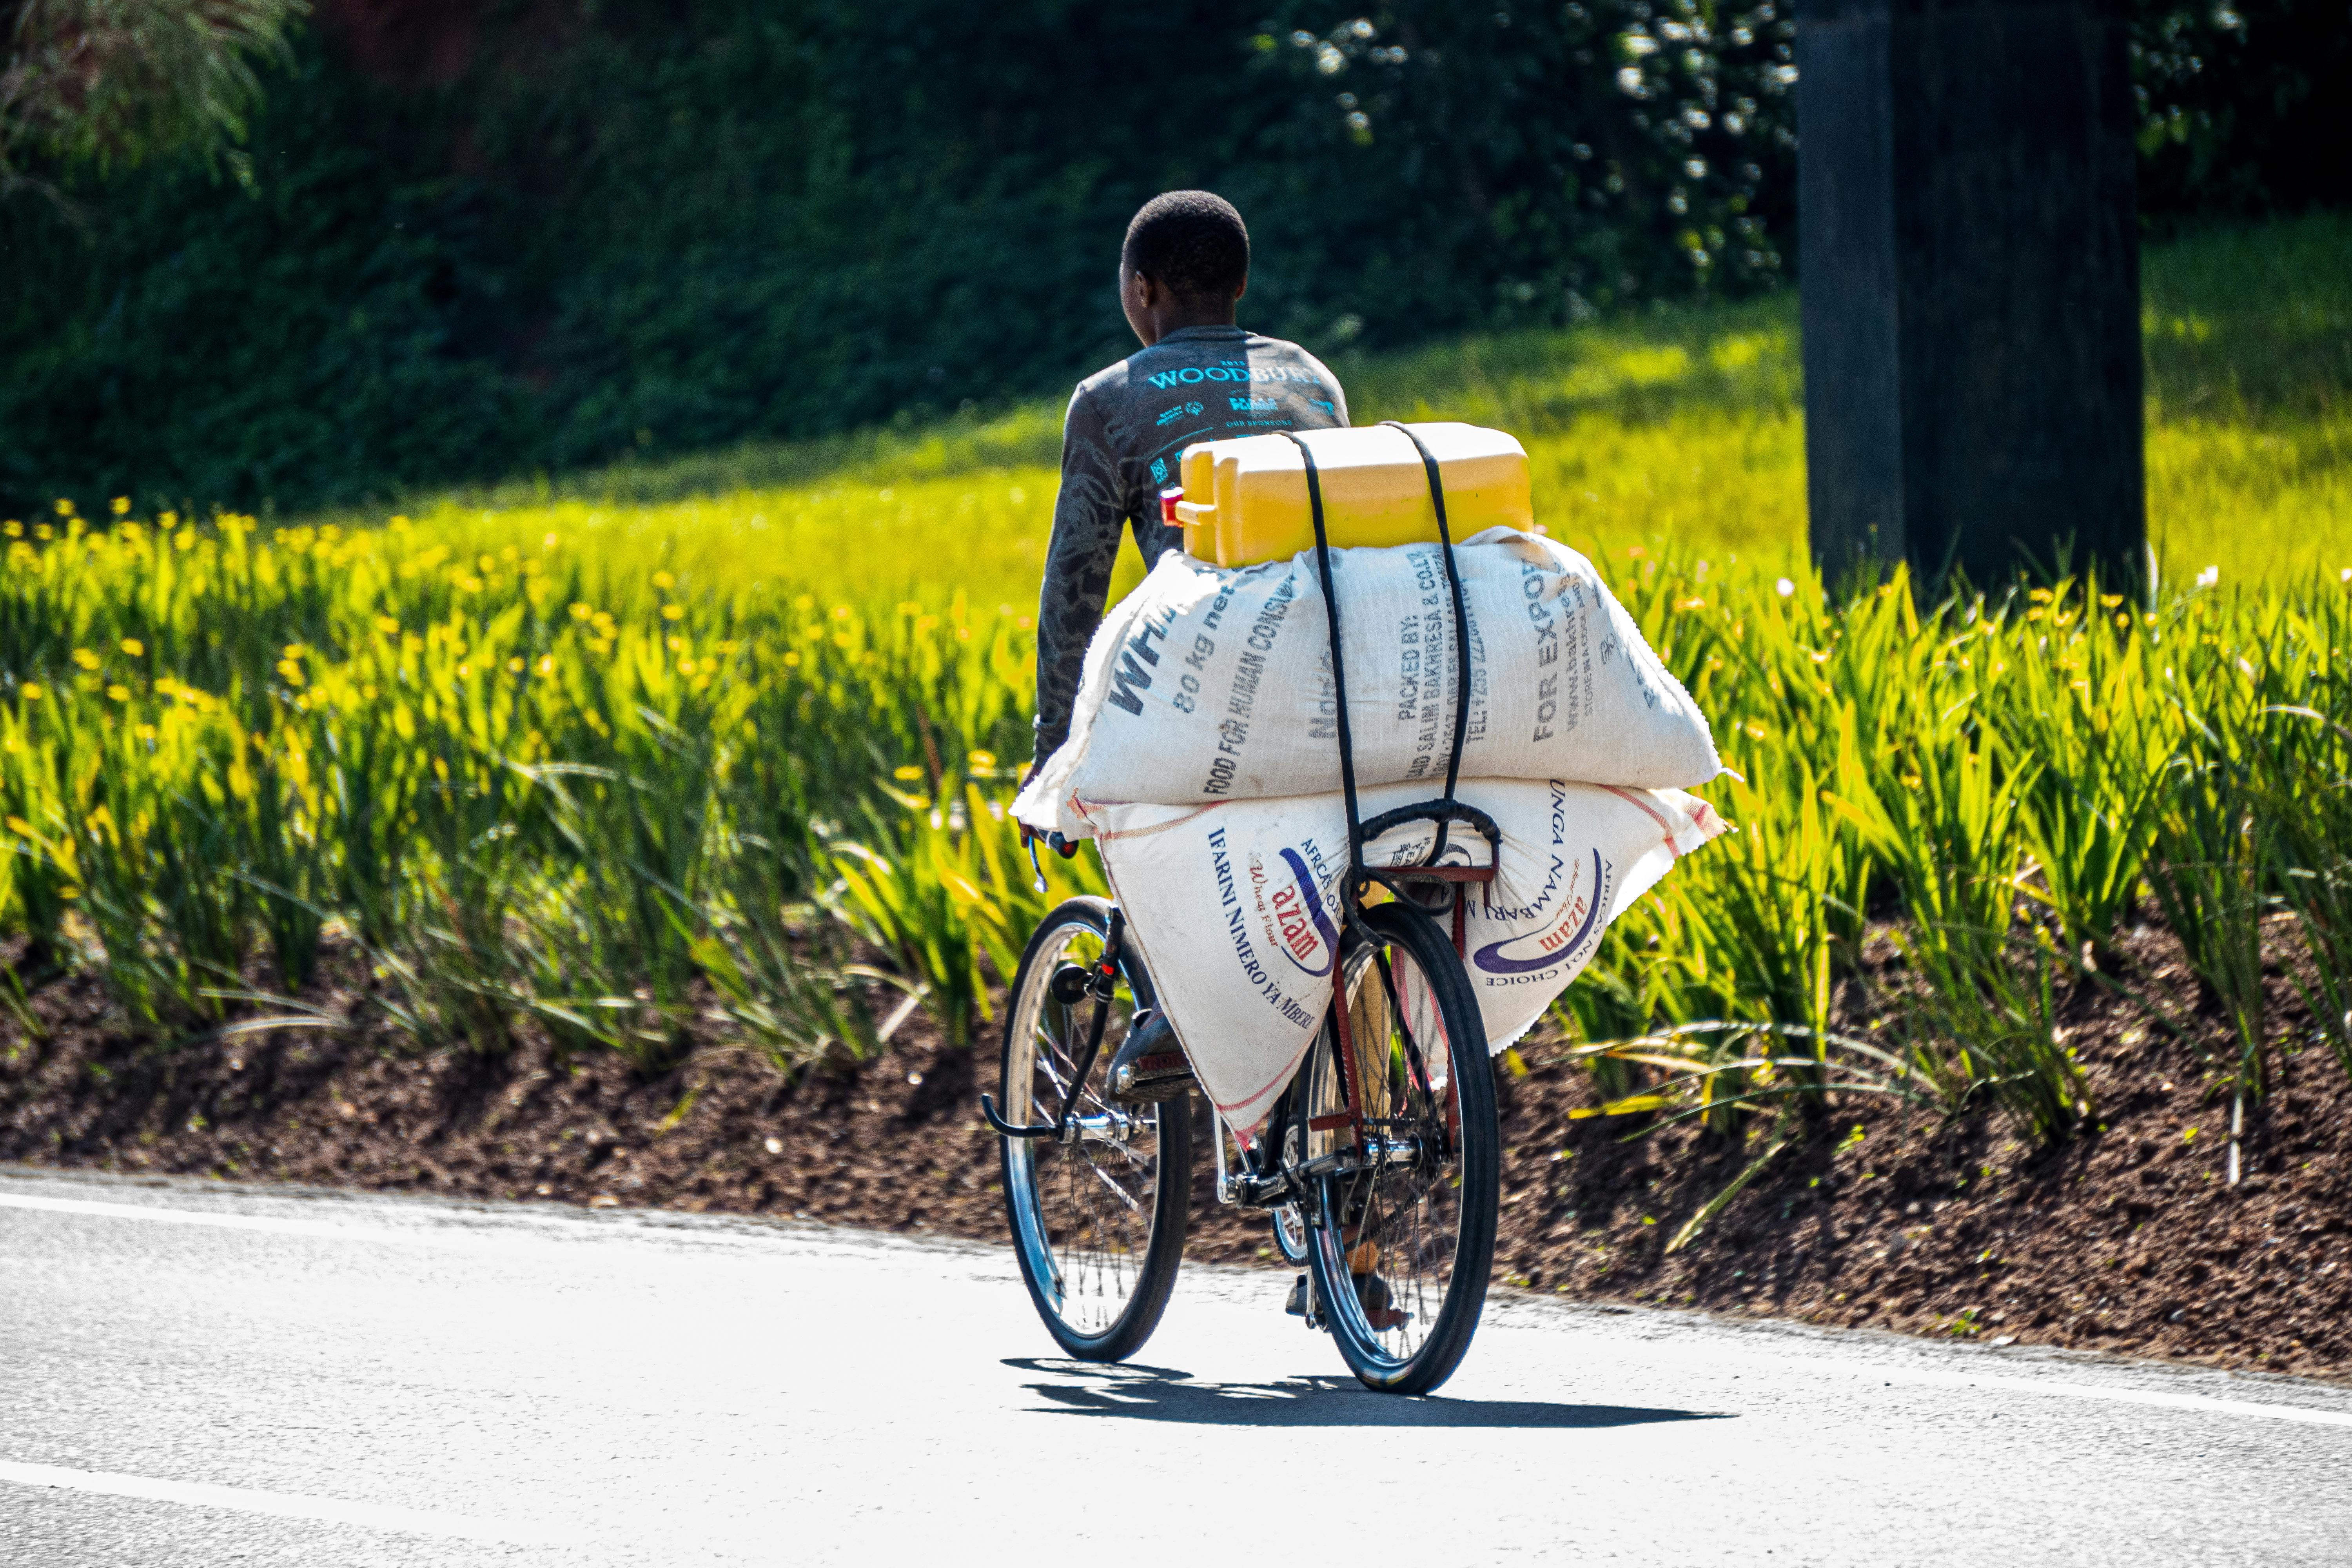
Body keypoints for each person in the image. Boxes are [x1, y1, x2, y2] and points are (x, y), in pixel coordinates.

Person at [1028, 189, 1350, 1105]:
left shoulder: (1109, 401)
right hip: (1342, 664)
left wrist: (1054, 749)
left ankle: (1175, 1000)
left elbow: (1075, 591)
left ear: (1142, 290)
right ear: (1241, 284)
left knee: (1130, 776)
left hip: (1214, 678)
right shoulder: (1312, 378)